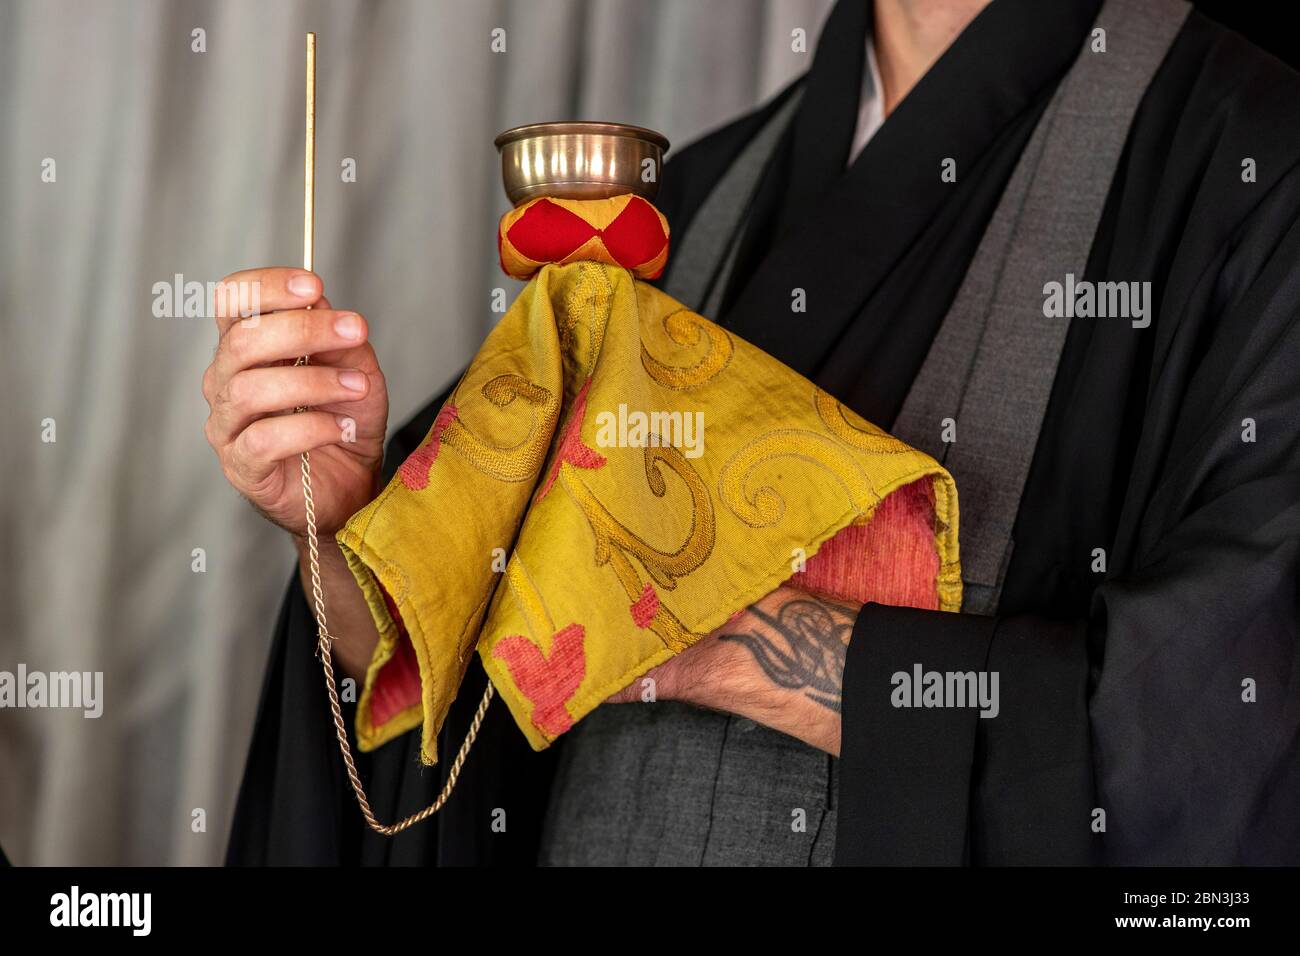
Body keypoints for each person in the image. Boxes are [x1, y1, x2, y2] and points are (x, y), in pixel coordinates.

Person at [215, 0, 1300, 865]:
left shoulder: (1255, 172)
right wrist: (350, 518)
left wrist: (686, 627)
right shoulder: (682, 203)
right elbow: (439, 668)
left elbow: (1225, 727)